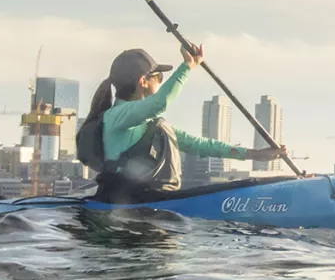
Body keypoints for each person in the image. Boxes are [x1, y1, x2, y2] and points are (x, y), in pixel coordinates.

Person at [76, 45, 287, 203]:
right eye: (158, 76)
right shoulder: (118, 116)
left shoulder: (150, 125)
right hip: (126, 204)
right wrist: (188, 66)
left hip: (152, 202)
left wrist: (254, 154)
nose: (161, 80)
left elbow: (199, 145)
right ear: (143, 81)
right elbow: (160, 102)